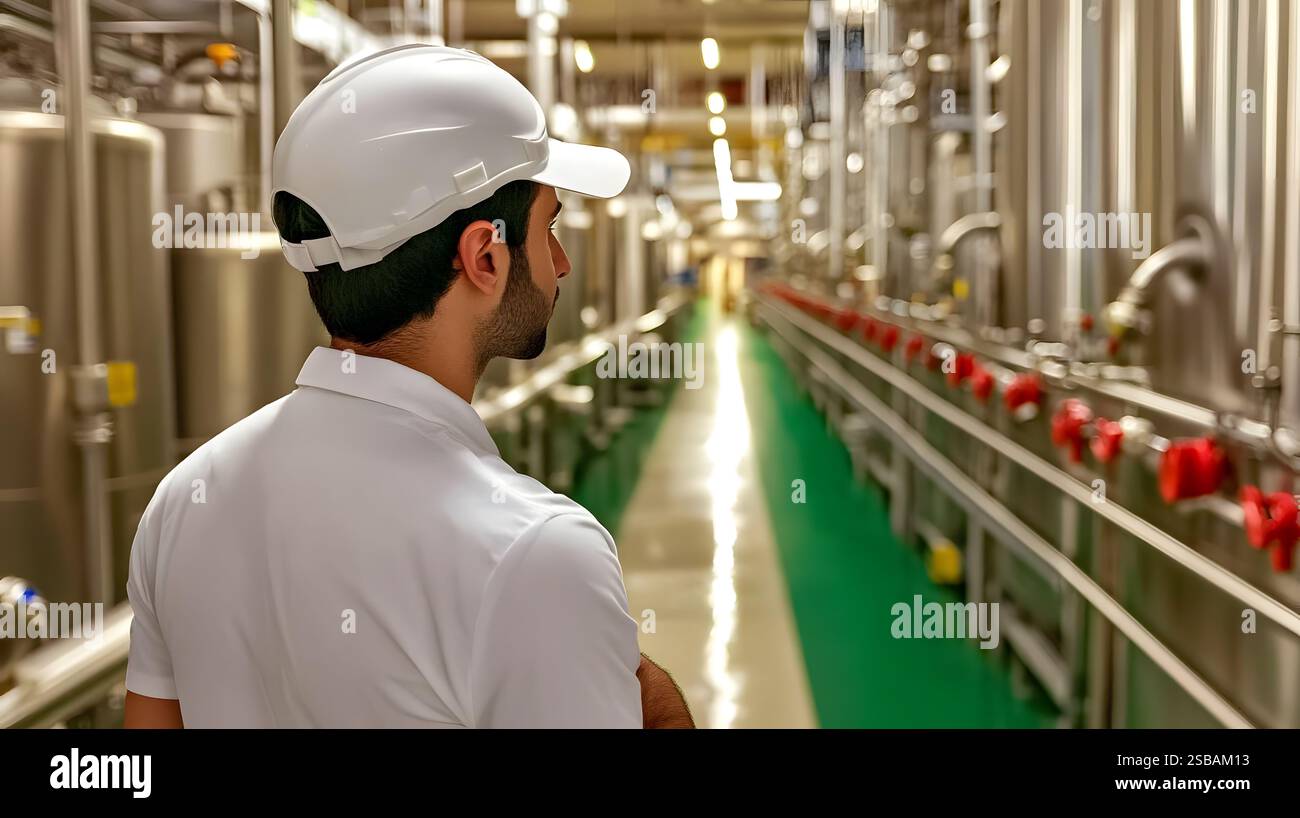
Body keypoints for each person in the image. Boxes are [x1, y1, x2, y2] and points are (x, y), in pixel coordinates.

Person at [123, 44, 693, 729]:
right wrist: (645, 694)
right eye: (549, 228)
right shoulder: (536, 554)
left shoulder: (184, 499)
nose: (563, 262)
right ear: (485, 256)